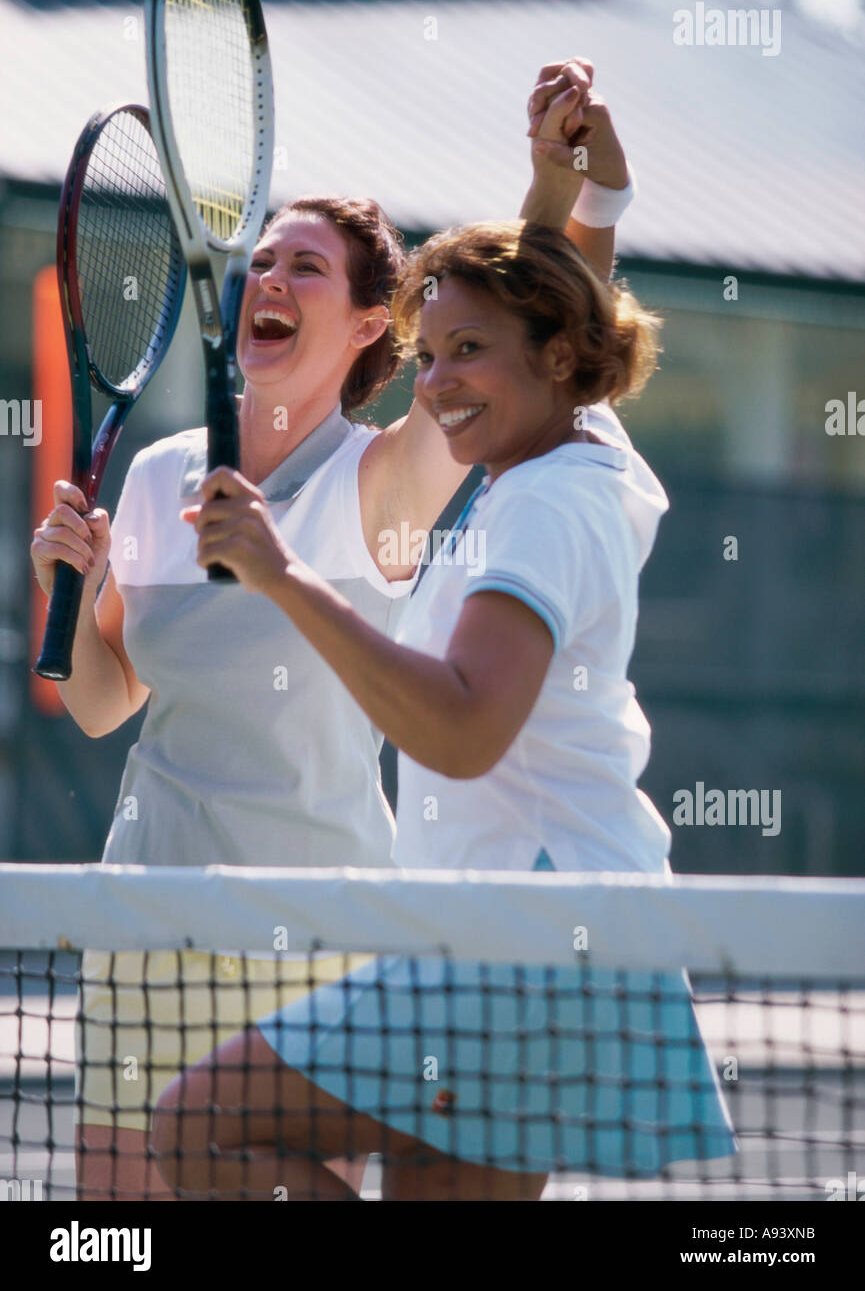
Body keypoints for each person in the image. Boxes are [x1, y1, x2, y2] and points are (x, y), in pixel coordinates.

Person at [29, 59, 629, 1199]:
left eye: (304, 266)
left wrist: (553, 184)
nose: (269, 274)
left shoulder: (385, 478)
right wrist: (72, 580)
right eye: (260, 260)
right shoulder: (157, 477)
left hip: (312, 938)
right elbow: (108, 709)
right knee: (112, 1232)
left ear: (368, 325)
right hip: (140, 924)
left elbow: (504, 313)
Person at [151, 218, 737, 1201]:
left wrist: (281, 574)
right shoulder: (575, 451)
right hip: (546, 950)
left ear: (559, 357)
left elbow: (465, 728)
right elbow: (560, 295)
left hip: (517, 952)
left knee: (200, 1125)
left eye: (465, 352)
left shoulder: (544, 503)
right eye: (427, 355)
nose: (434, 382)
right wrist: (586, 186)